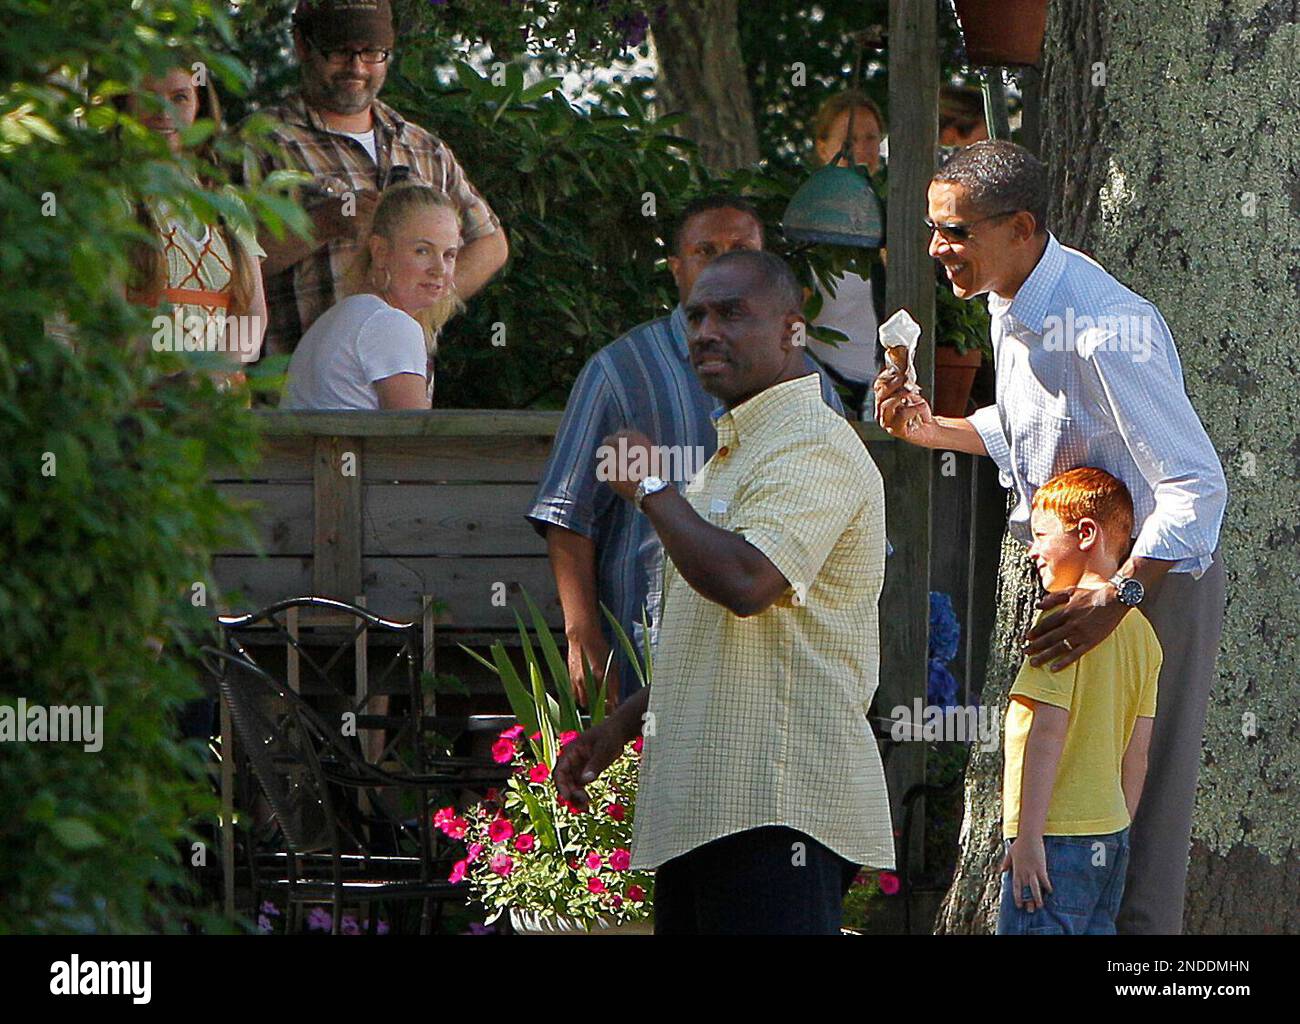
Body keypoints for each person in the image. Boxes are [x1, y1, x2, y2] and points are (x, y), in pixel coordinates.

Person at [875, 140, 1227, 934]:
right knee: (1067, 806)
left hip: (1154, 587)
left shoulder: (1108, 327)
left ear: (1023, 228)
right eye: (935, 229)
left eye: (956, 232)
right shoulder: (1010, 303)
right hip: (1091, 586)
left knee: (1142, 825)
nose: (938, 250)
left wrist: (1122, 592)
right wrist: (931, 429)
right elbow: (1038, 431)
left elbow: (1195, 487)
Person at [555, 250, 894, 935]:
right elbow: (719, 637)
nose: (706, 330)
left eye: (732, 313)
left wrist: (651, 487)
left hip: (777, 812)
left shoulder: (813, 446)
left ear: (792, 331)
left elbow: (747, 584)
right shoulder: (733, 457)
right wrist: (619, 728)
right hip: (712, 812)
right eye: (696, 315)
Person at [526, 196, 843, 708]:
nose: (721, 262)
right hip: (650, 646)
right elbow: (568, 514)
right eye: (705, 251)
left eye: (739, 249)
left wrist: (651, 487)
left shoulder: (812, 392)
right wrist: (582, 632)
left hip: (777, 664)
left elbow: (779, 572)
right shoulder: (620, 373)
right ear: (677, 270)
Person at [245, 0, 506, 355]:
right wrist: (324, 223)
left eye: (372, 53)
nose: (356, 67)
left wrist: (423, 310)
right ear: (302, 46)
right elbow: (221, 266)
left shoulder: (422, 147)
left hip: (402, 387)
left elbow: (491, 243)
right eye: (339, 52)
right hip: (293, 394)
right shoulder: (257, 143)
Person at [997, 467, 1160, 935]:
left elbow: (1044, 736)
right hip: (1108, 836)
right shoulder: (1144, 635)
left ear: (1085, 534)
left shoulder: (1061, 627)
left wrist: (1027, 839)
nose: (1032, 550)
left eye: (1041, 535)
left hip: (1053, 837)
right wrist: (1120, 832)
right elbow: (1138, 753)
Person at [125, 66, 268, 381]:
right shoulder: (110, 195)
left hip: (218, 404)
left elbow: (252, 314)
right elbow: (103, 314)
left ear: (199, 106)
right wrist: (169, 387)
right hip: (136, 402)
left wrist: (210, 377)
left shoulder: (227, 202)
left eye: (179, 98)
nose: (164, 113)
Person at [283, 183, 460, 410]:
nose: (439, 269)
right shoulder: (390, 324)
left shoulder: (346, 313)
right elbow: (414, 438)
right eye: (422, 251)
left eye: (449, 255)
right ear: (380, 252)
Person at [805, 90, 888, 413]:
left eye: (870, 138)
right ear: (822, 147)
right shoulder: (804, 220)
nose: (861, 150)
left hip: (882, 383)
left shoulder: (892, 215)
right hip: (823, 381)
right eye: (849, 140)